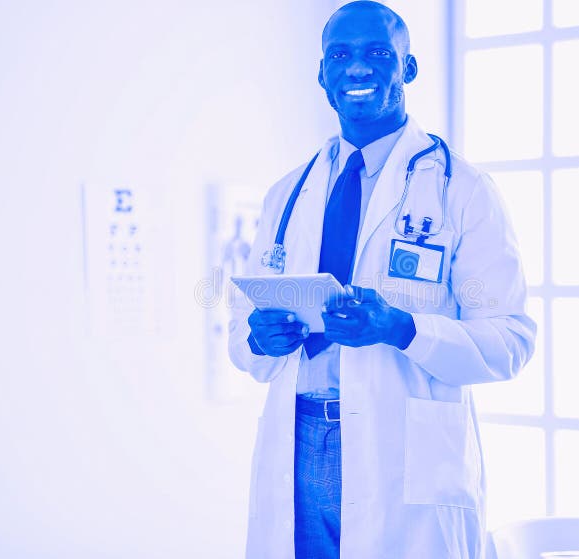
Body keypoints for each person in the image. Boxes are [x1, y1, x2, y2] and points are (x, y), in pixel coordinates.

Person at [228, 2, 536, 558]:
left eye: (378, 54)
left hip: (399, 455)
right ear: (321, 73)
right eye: (340, 55)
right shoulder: (286, 195)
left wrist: (402, 329)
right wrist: (258, 340)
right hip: (297, 446)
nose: (358, 69)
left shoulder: (460, 191)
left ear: (408, 68)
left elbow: (510, 340)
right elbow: (241, 334)